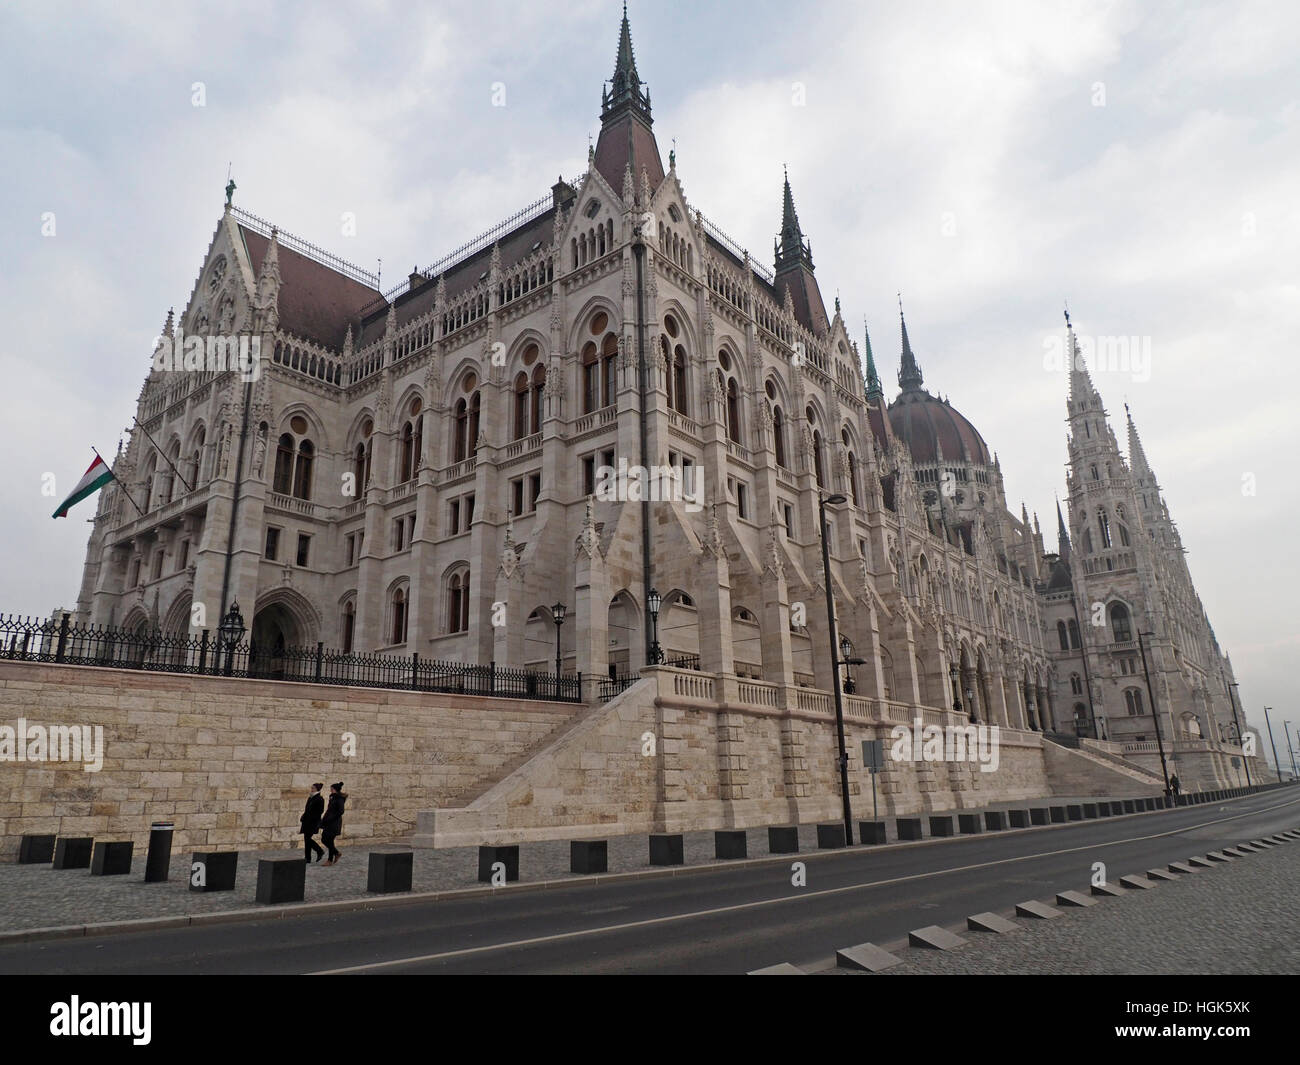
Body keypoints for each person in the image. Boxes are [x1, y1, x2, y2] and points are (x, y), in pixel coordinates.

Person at [320, 782, 348, 865]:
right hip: (328, 822)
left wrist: (331, 818)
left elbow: (341, 811)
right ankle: (334, 856)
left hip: (334, 823)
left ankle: (331, 859)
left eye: (332, 789)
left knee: (327, 840)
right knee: (326, 839)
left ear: (335, 790)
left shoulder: (339, 799)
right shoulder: (332, 797)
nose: (330, 790)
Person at [300, 782, 325, 863]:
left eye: (313, 788)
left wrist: (311, 818)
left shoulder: (320, 799)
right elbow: (307, 810)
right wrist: (303, 816)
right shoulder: (310, 798)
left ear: (317, 789)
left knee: (307, 839)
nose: (311, 789)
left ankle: (319, 850)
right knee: (306, 839)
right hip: (306, 821)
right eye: (311, 788)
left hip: (312, 822)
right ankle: (308, 858)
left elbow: (320, 811)